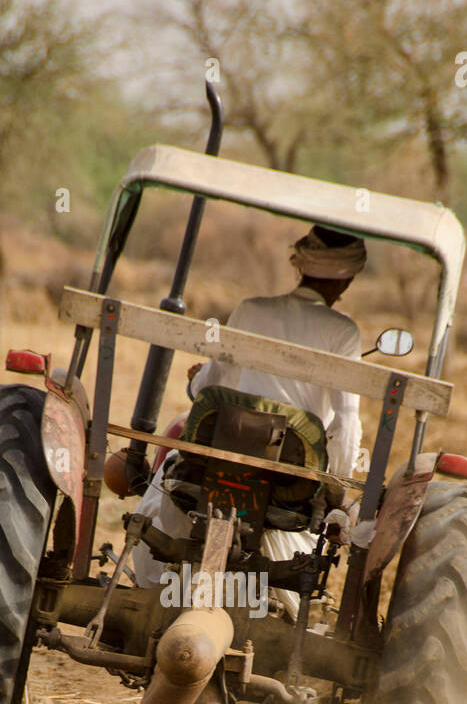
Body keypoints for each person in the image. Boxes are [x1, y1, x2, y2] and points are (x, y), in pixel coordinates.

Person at [132, 225, 368, 616]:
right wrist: (336, 492)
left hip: (220, 459)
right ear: (347, 278)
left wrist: (196, 382)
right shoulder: (343, 331)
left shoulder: (251, 309)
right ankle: (269, 600)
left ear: (300, 264)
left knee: (166, 477)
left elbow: (212, 385)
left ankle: (153, 582)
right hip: (290, 480)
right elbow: (347, 421)